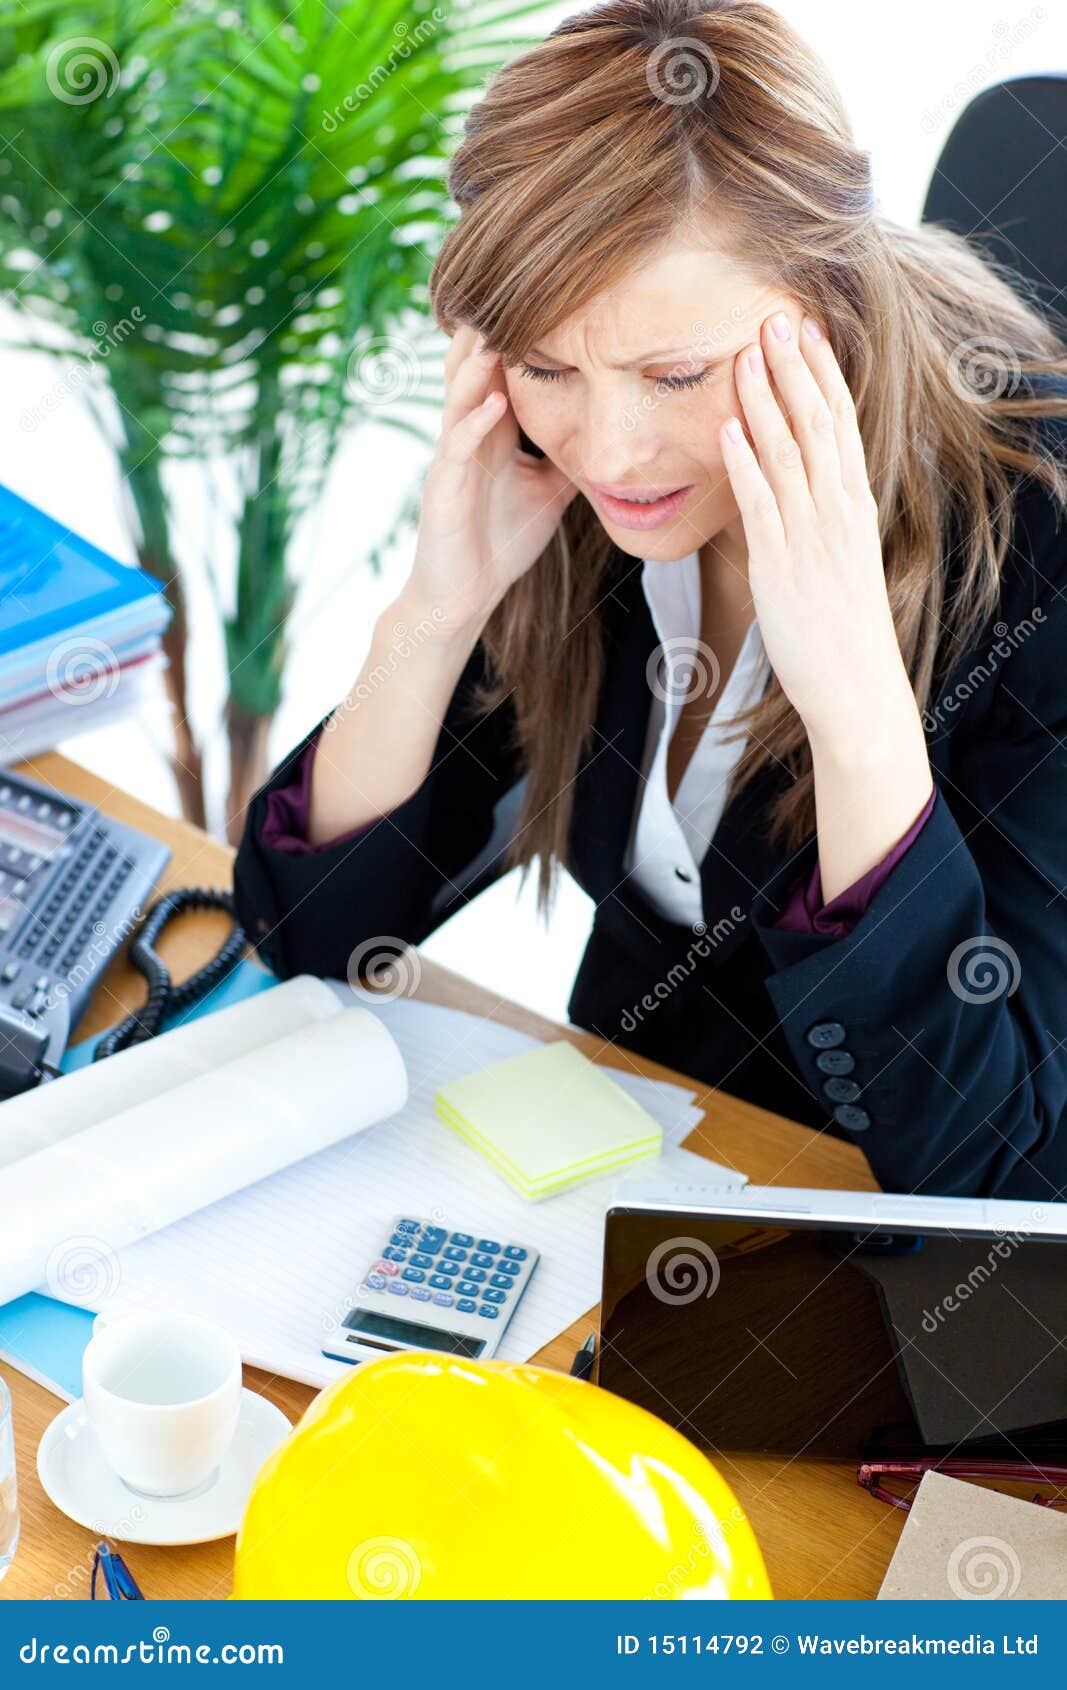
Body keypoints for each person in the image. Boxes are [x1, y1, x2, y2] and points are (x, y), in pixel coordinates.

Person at [233, 0, 1067, 1199]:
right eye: (547, 366)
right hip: (621, 1175)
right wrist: (436, 608)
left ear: (832, 313)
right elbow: (309, 940)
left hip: (883, 1279)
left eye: (672, 375)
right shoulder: (558, 487)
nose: (610, 452)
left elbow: (996, 1176)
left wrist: (854, 714)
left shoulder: (1034, 550)